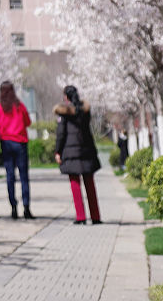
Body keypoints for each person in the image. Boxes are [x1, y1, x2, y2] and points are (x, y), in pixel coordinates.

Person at [54, 84, 102, 225]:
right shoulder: (85, 112)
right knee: (90, 184)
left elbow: (61, 134)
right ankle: (96, 216)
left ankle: (81, 217)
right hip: (86, 149)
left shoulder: (64, 113)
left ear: (65, 97)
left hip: (70, 151)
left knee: (75, 184)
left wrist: (58, 151)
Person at [0, 80, 34, 219]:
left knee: (10, 176)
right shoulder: (19, 106)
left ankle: (13, 207)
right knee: (24, 177)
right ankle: (26, 207)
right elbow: (28, 122)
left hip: (6, 143)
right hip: (20, 143)